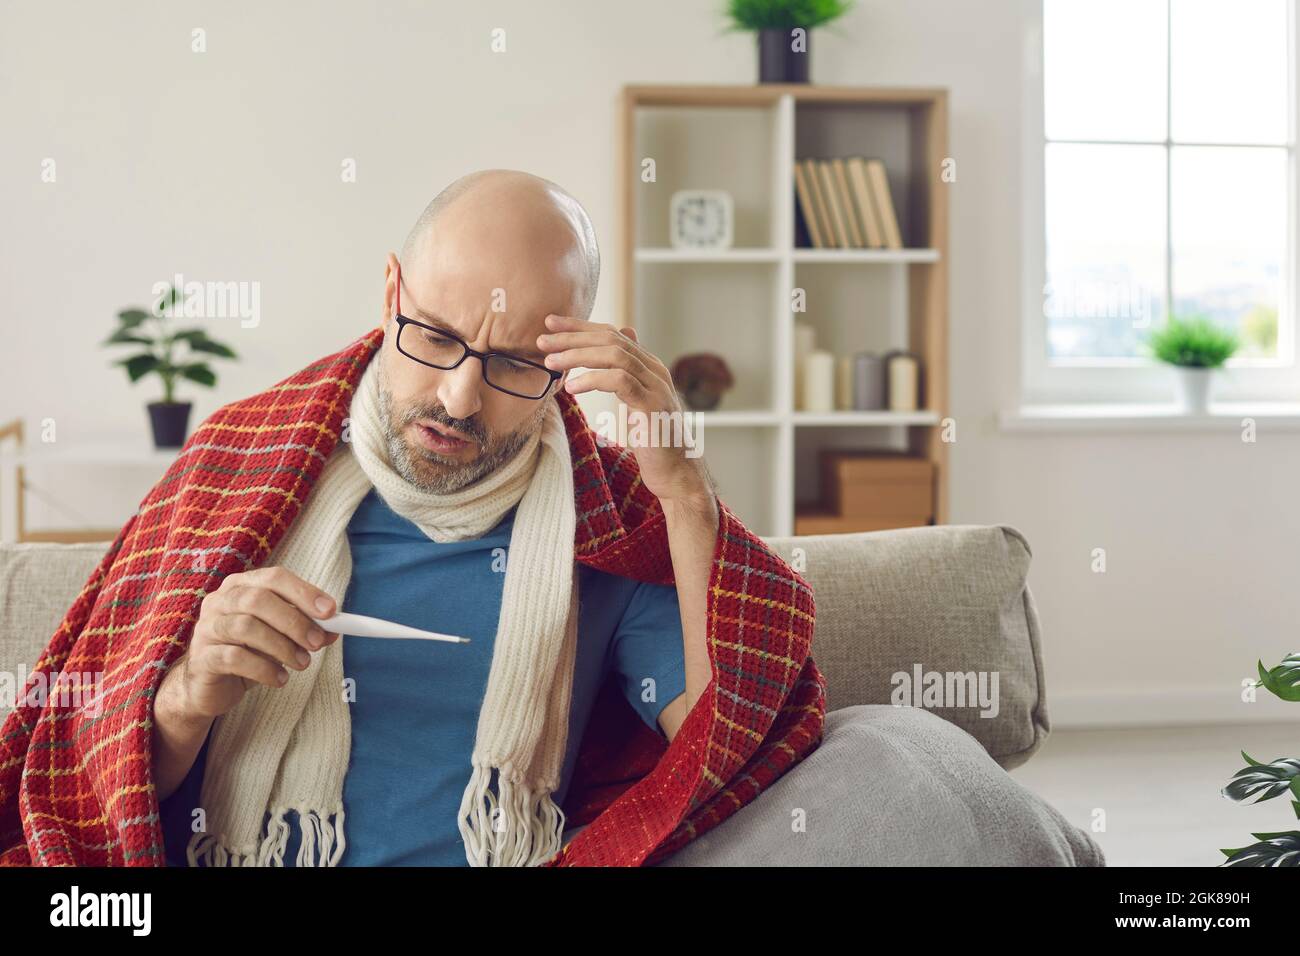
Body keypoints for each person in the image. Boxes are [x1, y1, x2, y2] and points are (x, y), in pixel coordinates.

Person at [151, 168, 723, 866]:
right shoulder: (241, 470)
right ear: (392, 294)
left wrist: (686, 495)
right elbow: (102, 792)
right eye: (437, 336)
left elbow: (719, 766)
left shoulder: (604, 525)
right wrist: (187, 696)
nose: (459, 399)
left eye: (514, 363)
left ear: (572, 366)